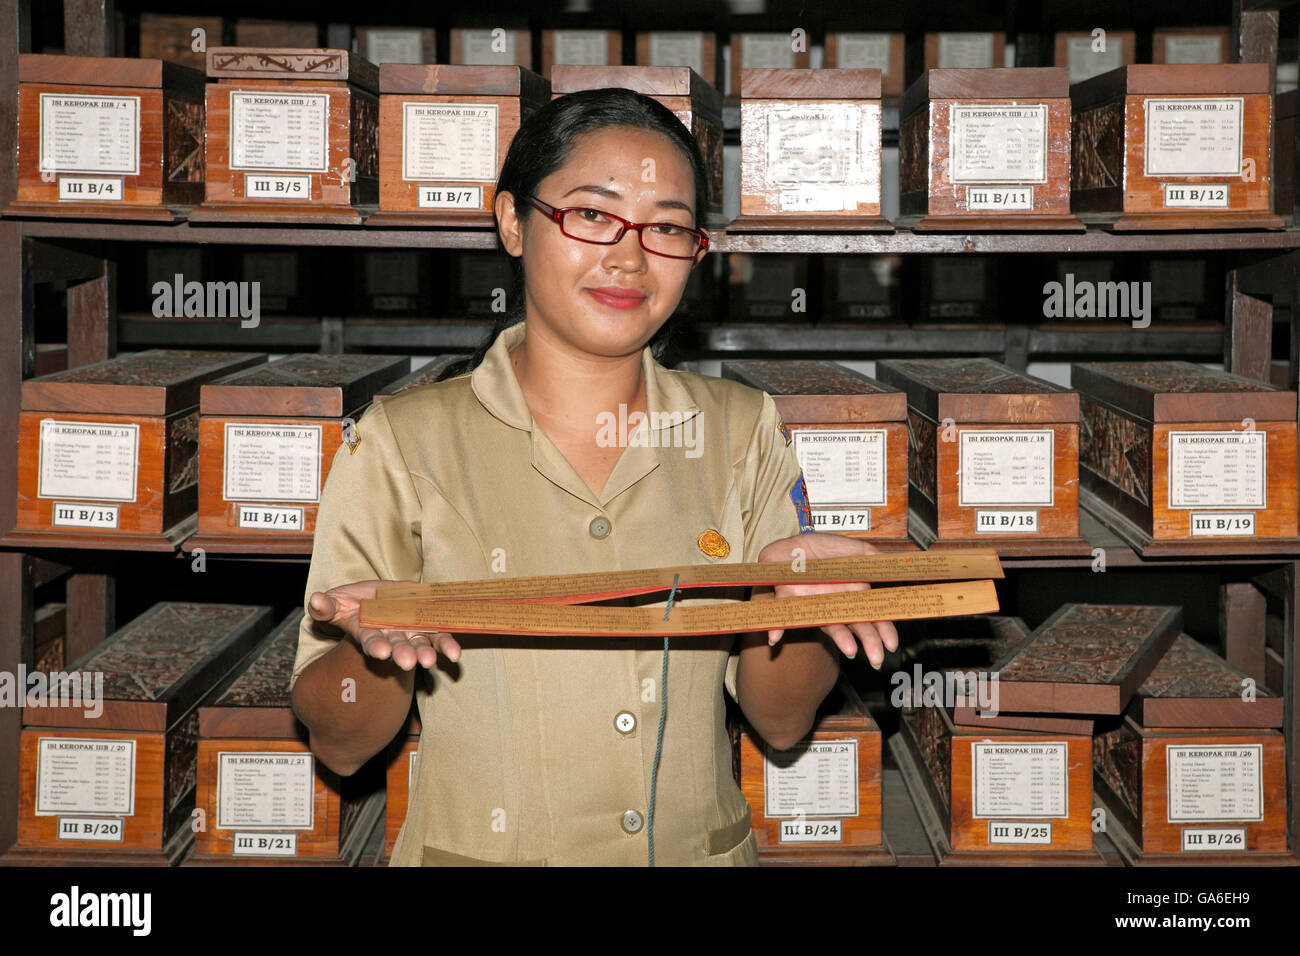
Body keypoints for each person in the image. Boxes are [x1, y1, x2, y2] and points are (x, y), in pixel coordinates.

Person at [289, 88, 899, 866]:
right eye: (591, 215)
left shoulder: (741, 432)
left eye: (669, 227)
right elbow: (341, 746)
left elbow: (779, 724)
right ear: (512, 221)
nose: (629, 256)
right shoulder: (401, 444)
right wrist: (375, 656)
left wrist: (798, 609)